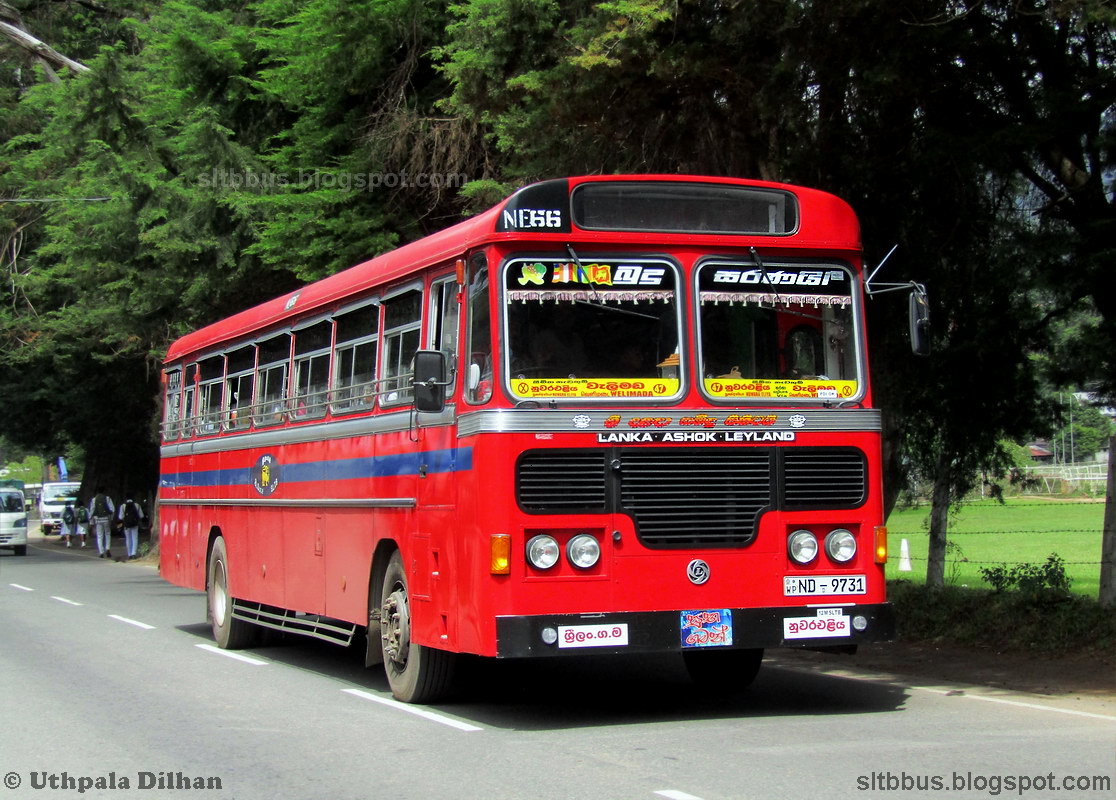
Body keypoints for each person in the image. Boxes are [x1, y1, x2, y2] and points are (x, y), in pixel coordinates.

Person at [116, 494, 144, 561]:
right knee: (135, 538)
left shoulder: (123, 506)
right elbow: (141, 515)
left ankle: (129, 554)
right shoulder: (137, 505)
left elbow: (120, 517)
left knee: (128, 539)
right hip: (135, 524)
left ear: (126, 498)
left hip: (126, 525)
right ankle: (133, 553)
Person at [89, 489, 115, 559]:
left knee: (100, 536)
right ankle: (108, 548)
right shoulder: (108, 498)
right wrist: (111, 519)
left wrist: (91, 521)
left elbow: (91, 511)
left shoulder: (94, 500)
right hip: (106, 519)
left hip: (98, 520)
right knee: (107, 534)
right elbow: (112, 509)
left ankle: (101, 552)